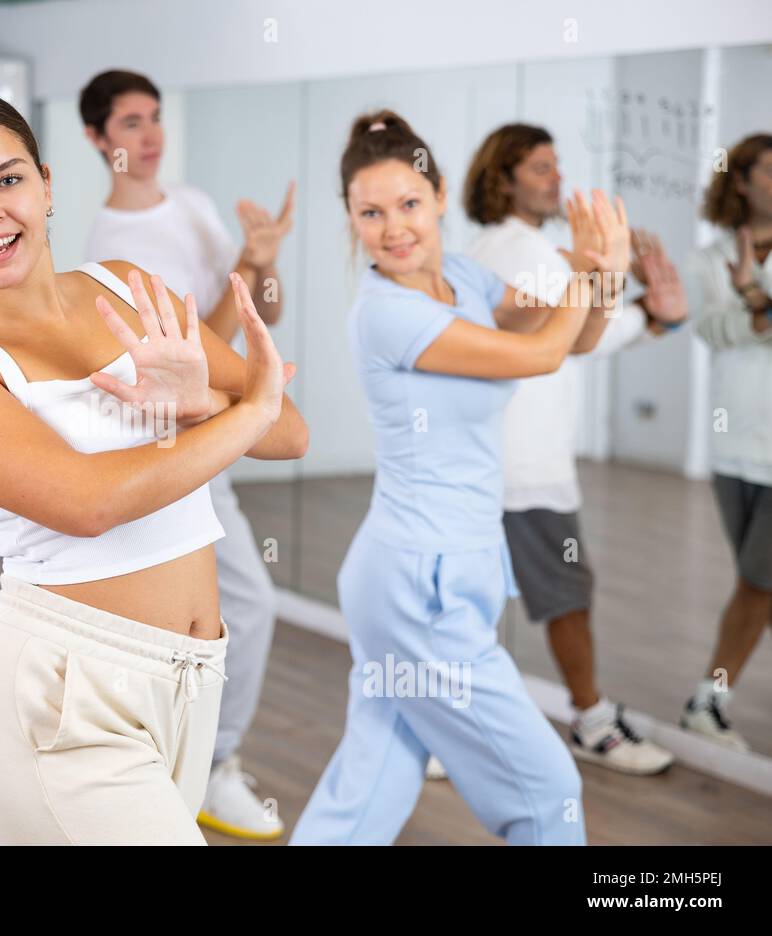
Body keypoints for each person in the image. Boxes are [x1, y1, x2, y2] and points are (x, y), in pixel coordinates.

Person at [0, 89, 308, 844]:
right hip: (62, 694)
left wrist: (205, 404)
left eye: (7, 179)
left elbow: (291, 435)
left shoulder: (128, 285)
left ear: (47, 185)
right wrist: (242, 410)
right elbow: (88, 505)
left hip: (189, 682)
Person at [292, 110, 629, 846]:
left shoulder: (468, 279)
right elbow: (538, 357)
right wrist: (590, 272)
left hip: (443, 570)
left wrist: (604, 282)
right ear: (349, 217)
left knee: (372, 784)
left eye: (409, 204)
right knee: (548, 793)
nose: (392, 228)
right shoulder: (387, 314)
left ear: (441, 196)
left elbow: (572, 340)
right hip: (419, 585)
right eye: (369, 212)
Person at [418, 122, 687, 778]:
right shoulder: (520, 250)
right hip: (521, 467)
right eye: (540, 167)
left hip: (502, 461)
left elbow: (573, 329)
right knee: (564, 593)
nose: (556, 178)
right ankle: (591, 721)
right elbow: (573, 336)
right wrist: (648, 313)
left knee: (476, 600)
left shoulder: (505, 245)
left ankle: (442, 731)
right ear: (503, 177)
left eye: (556, 165)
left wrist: (631, 302)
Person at [78, 69, 295, 839]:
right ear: (97, 142)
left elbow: (253, 318)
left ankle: (200, 766)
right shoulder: (112, 246)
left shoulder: (195, 206)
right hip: (163, 445)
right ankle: (199, 766)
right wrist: (236, 290)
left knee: (230, 608)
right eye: (130, 123)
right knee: (235, 606)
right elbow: (192, 351)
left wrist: (261, 264)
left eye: (155, 117)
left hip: (210, 431)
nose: (150, 134)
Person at [686, 132, 772, 753]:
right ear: (740, 181)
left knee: (757, 582)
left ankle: (709, 700)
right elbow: (712, 331)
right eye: (769, 172)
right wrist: (754, 309)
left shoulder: (732, 272)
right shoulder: (708, 257)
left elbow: (741, 320)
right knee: (759, 582)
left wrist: (749, 295)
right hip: (732, 449)